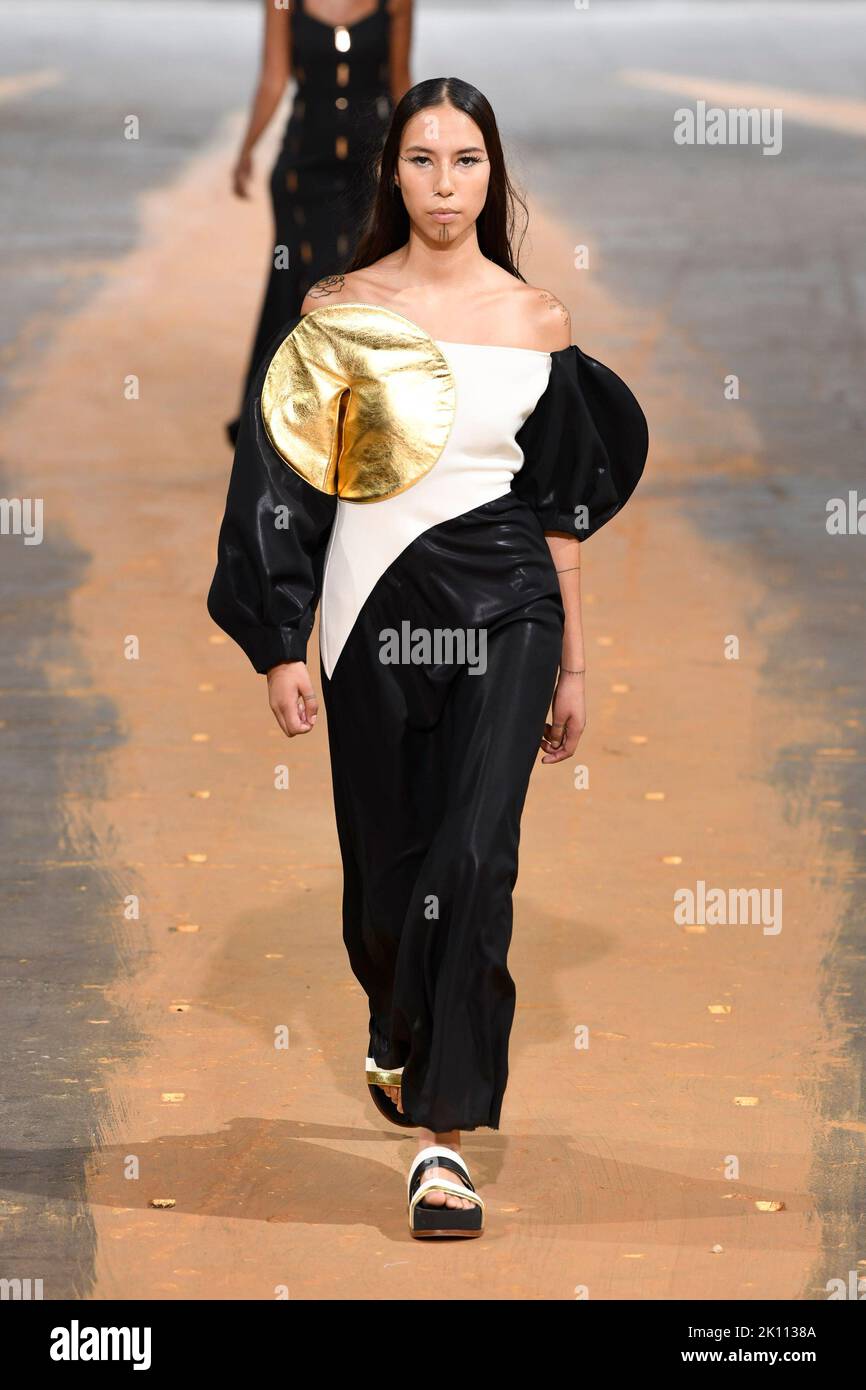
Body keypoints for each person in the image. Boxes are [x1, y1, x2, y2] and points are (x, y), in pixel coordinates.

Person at [207, 76, 648, 1239]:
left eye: (465, 161)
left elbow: (560, 508)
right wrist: (277, 640)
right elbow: (282, 485)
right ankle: (395, 1028)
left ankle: (440, 1144)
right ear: (390, 173)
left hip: (507, 604)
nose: (444, 184)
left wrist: (574, 665)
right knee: (386, 880)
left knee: (473, 852)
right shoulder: (338, 308)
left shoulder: (538, 319)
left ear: (492, 173)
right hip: (369, 612)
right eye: (421, 160)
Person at [226, 0, 413, 445]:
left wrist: (417, 156)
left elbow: (401, 81)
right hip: (302, 170)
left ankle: (360, 418)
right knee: (298, 282)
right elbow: (273, 79)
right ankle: (286, 416)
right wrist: (248, 149)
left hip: (371, 170)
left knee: (362, 285)